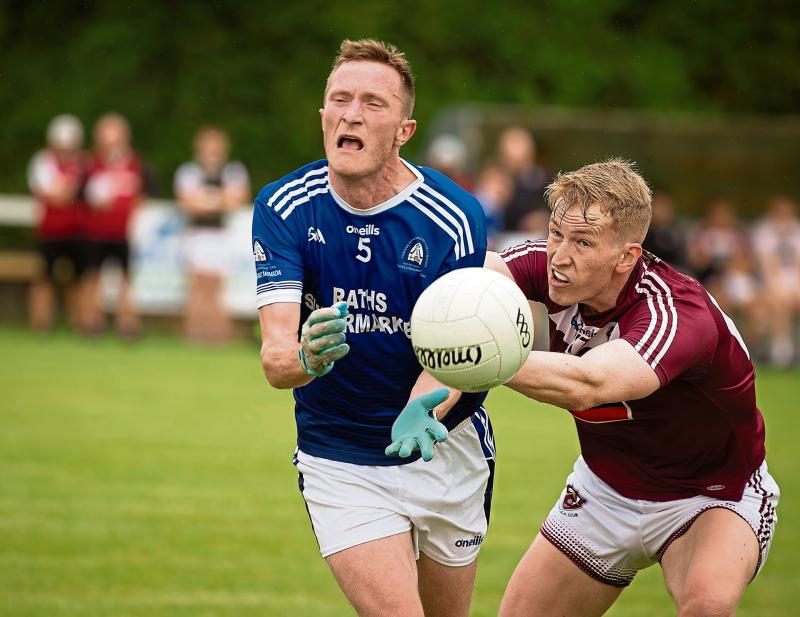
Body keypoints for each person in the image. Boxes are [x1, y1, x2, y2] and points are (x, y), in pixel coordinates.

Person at [393, 159, 779, 616]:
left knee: (707, 605)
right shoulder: (551, 267)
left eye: (582, 242)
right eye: (556, 233)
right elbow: (465, 299)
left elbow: (590, 383)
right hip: (605, 490)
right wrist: (432, 394)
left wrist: (478, 358)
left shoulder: (675, 313)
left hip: (708, 494)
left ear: (627, 257)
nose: (559, 255)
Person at [253, 39, 493, 617]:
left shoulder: (453, 216)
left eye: (373, 103)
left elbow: (461, 350)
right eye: (340, 99)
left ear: (404, 130)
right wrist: (305, 358)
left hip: (445, 449)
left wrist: (423, 409)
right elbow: (275, 356)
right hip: (340, 456)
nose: (352, 113)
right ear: (323, 117)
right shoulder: (285, 206)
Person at [175, 126, 251, 344]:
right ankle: (193, 335)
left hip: (221, 235)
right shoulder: (189, 171)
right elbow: (188, 202)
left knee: (217, 287)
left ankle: (218, 337)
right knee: (197, 286)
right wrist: (219, 200)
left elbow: (237, 199)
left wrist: (206, 200)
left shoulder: (233, 171)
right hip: (197, 234)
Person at [82, 113, 148, 338]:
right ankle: (91, 323)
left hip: (123, 233)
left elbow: (144, 192)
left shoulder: (135, 163)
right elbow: (81, 194)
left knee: (125, 279)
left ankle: (127, 325)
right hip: (95, 232)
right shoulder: (91, 163)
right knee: (92, 277)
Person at [26, 114, 89, 331]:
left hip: (77, 231)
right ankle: (41, 325)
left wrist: (66, 190)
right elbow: (55, 195)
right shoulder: (41, 162)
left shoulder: (84, 163)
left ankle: (79, 326)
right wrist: (69, 189)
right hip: (50, 231)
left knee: (78, 281)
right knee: (44, 280)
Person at [751, 195, 800, 366]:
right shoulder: (763, 230)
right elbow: (766, 264)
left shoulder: (797, 229)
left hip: (795, 282)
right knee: (777, 300)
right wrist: (776, 286)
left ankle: (781, 348)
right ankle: (781, 348)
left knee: (782, 298)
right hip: (771, 282)